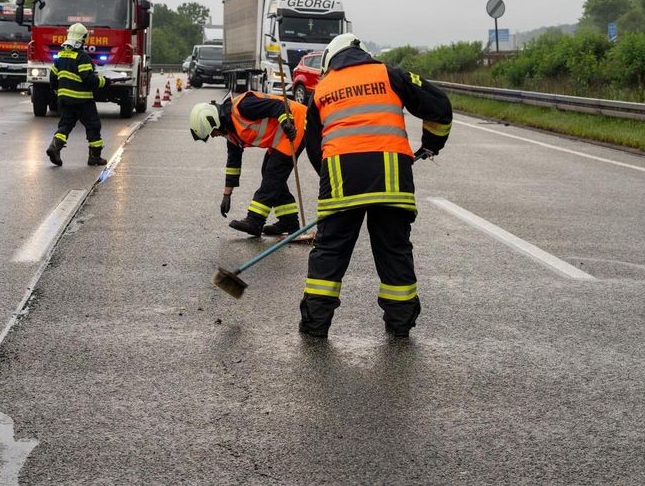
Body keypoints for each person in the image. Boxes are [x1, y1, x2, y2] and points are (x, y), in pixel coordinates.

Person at [298, 33, 452, 340]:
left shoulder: (321, 90)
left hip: (341, 181)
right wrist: (431, 145)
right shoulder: (391, 75)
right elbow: (440, 106)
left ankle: (315, 325)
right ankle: (400, 324)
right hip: (392, 180)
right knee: (394, 250)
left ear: (330, 61)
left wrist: (333, 182)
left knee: (330, 251)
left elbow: (315, 149)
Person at [188, 90, 308, 237]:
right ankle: (289, 222)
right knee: (270, 174)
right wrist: (227, 195)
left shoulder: (245, 107)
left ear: (214, 122)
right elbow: (233, 164)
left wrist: (287, 123)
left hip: (296, 124)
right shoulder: (231, 132)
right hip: (281, 136)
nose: (214, 136)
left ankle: (255, 220)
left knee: (272, 175)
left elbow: (278, 106)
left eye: (212, 132)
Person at [46, 23, 110, 167]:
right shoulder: (82, 57)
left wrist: (58, 93)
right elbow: (88, 79)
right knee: (93, 126)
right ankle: (94, 157)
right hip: (82, 101)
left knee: (65, 125)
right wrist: (104, 82)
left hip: (64, 100)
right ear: (83, 38)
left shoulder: (60, 56)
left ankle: (54, 147)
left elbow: (53, 78)